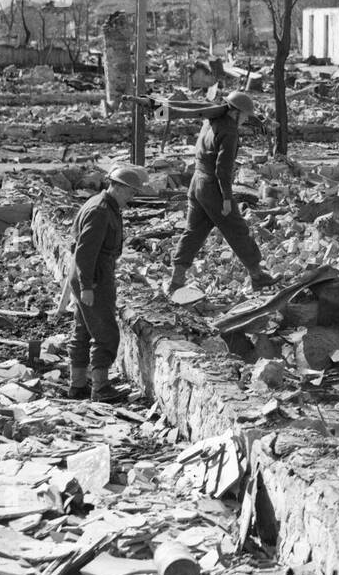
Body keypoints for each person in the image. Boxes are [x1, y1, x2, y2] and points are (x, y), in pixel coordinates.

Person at [167, 90, 276, 294]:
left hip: (197, 182)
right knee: (237, 230)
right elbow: (223, 169)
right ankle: (257, 275)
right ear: (235, 113)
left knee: (193, 231)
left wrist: (263, 123)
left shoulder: (210, 121)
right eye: (244, 116)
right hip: (213, 187)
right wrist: (226, 198)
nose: (245, 120)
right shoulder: (230, 131)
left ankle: (176, 279)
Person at [69, 165, 146, 403]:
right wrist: (87, 287)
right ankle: (100, 388)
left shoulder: (103, 205)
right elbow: (85, 252)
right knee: (106, 334)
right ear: (119, 187)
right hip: (95, 278)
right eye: (130, 192)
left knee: (83, 331)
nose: (132, 198)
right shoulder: (101, 211)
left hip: (93, 275)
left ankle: (78, 385)